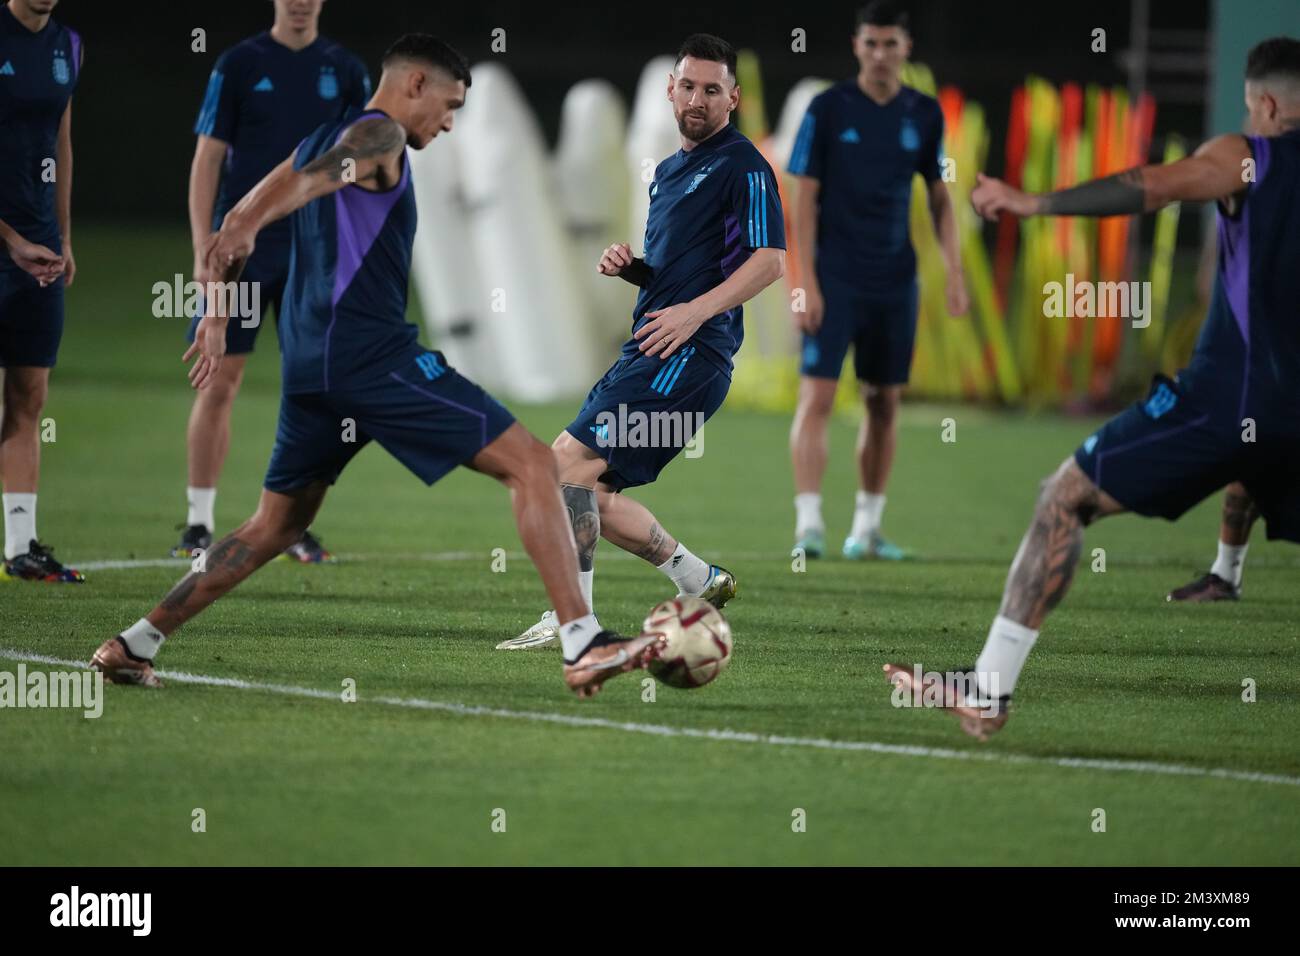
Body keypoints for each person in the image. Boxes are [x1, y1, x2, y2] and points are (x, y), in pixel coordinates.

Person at [90, 35, 659, 698]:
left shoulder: (315, 142)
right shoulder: (379, 135)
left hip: (311, 368)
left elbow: (245, 213)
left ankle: (135, 642)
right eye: (448, 105)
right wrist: (244, 238)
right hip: (368, 355)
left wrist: (220, 301)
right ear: (414, 83)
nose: (449, 123)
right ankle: (583, 643)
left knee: (278, 524)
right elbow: (308, 184)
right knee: (533, 465)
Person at [886, 36, 1300, 739]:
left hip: (1231, 395)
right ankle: (1224, 571)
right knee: (1254, 459)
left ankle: (988, 688)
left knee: (1064, 497)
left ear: (1263, 103)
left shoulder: (1249, 157)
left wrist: (1033, 201)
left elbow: (1155, 186)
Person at [501, 33, 786, 650]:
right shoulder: (666, 173)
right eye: (688, 86)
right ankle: (699, 579)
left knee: (562, 468)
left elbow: (770, 261)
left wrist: (693, 314)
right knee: (588, 492)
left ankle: (574, 620)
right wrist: (637, 270)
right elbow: (686, 268)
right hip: (652, 348)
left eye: (713, 89)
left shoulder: (745, 165)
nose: (698, 99)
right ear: (670, 90)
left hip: (689, 357)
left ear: (733, 98)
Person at [176, 0, 370, 562]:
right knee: (218, 379)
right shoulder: (239, 64)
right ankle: (198, 523)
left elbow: (362, 163)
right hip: (242, 249)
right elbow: (207, 158)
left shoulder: (347, 69)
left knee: (311, 389)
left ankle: (290, 522)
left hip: (314, 252)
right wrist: (201, 246)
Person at [786, 0, 967, 561]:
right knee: (817, 395)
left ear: (906, 48)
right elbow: (802, 201)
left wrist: (955, 270)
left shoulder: (924, 114)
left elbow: (939, 198)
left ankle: (866, 528)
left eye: (891, 44)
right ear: (856, 46)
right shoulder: (828, 108)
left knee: (884, 402)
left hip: (894, 281)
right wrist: (804, 281)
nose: (881, 54)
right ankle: (808, 524)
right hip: (834, 278)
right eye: (871, 43)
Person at [0, 0, 83, 583]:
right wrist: (8, 240)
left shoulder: (68, 46)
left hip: (39, 251)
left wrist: (64, 237)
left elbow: (62, 142)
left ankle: (21, 547)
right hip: (6, 244)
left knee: (29, 400)